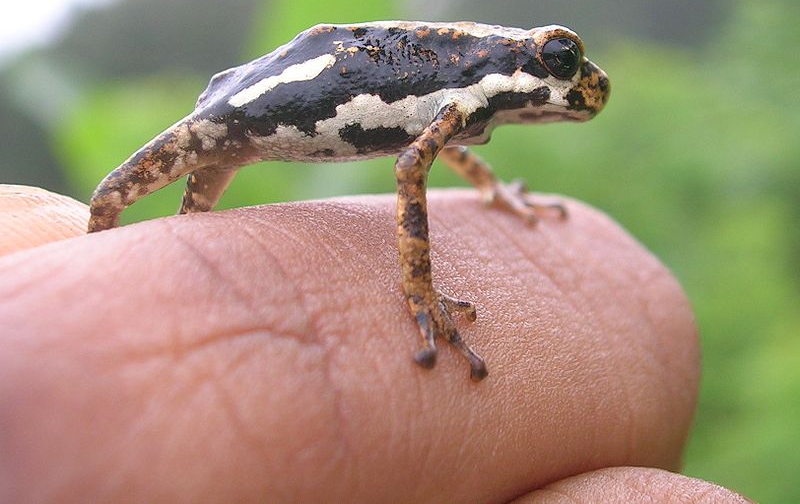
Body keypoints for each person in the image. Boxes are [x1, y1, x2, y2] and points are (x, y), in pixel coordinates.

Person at [0, 185, 748, 502]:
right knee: (117, 199)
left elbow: (435, 148)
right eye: (559, 62)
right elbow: (411, 167)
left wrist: (493, 191)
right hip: (254, 100)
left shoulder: (462, 115)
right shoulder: (451, 80)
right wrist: (419, 290)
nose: (582, 84)